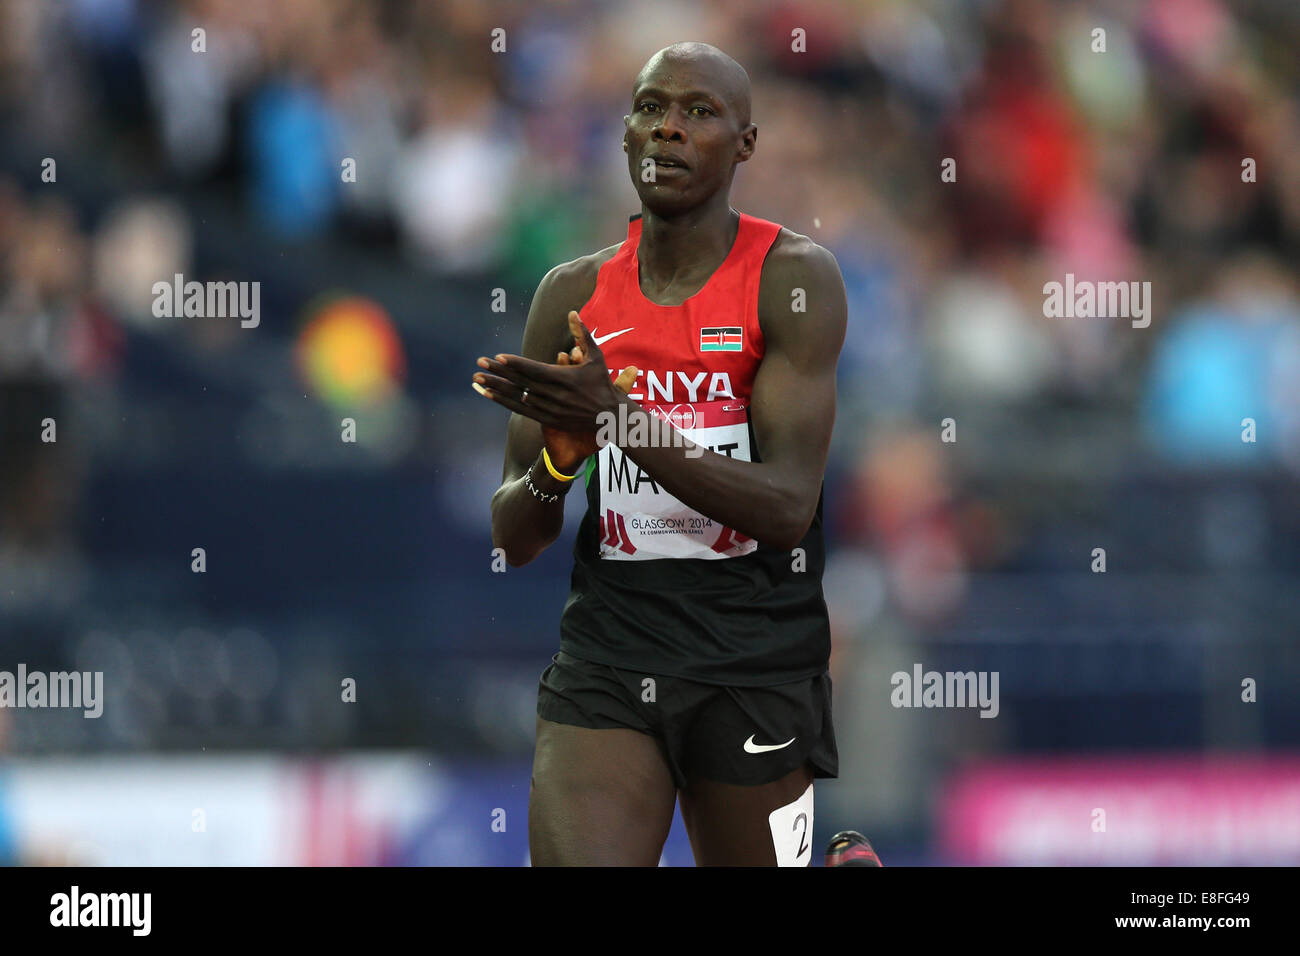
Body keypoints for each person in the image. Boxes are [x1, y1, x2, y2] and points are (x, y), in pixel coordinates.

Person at [473, 41, 847, 866]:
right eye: (650, 108)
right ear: (626, 132)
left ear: (745, 144)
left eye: (699, 113)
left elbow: (787, 508)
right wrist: (561, 461)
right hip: (611, 655)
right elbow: (514, 535)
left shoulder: (793, 280)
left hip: (753, 663)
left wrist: (621, 420)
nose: (668, 130)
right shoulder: (572, 296)